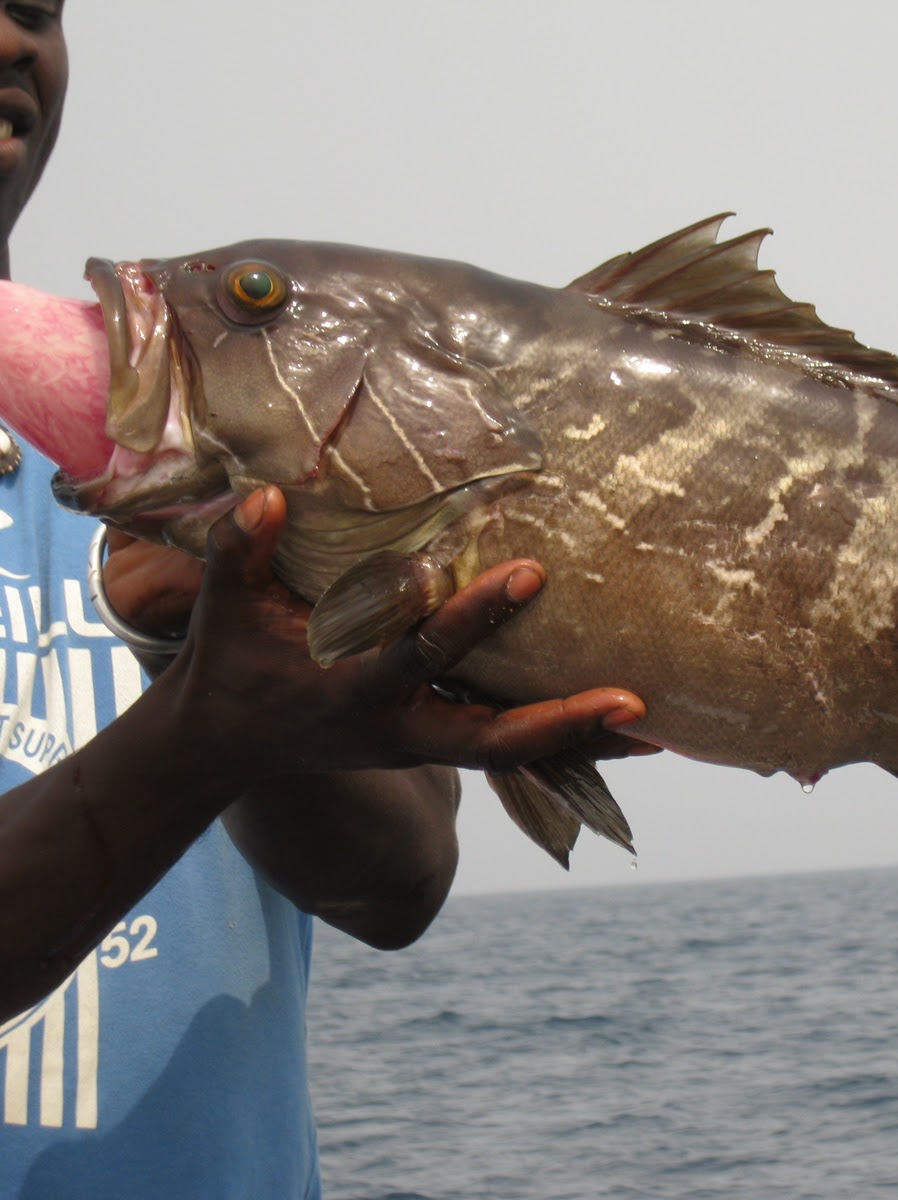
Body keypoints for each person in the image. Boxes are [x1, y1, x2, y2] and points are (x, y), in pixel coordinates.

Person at [0, 5, 645, 1195]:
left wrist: (199, 655)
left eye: (34, 4)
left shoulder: (189, 457)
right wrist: (204, 728)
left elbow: (397, 887)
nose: (9, 41)